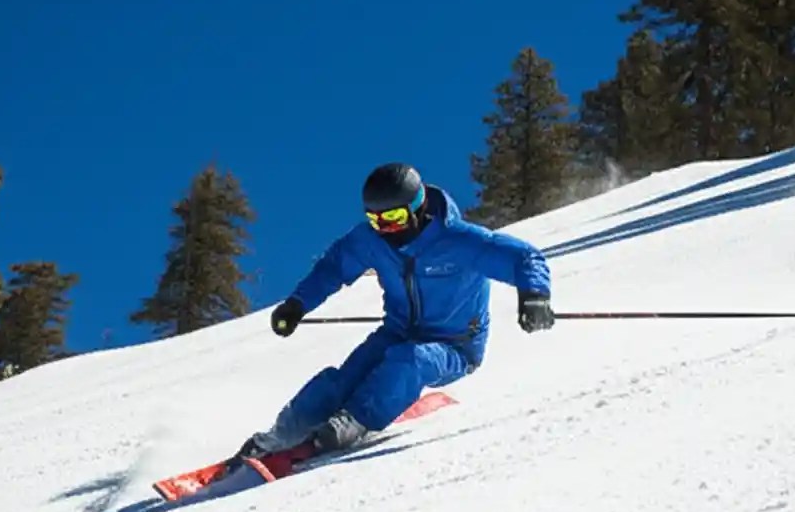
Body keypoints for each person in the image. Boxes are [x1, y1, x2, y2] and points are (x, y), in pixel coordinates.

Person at [228, 162, 554, 467]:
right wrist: (297, 304)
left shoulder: (460, 241)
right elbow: (334, 267)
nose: (385, 229)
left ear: (417, 208)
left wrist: (535, 296)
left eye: (394, 218)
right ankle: (280, 435)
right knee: (342, 380)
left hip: (455, 345)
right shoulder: (372, 240)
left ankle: (354, 421)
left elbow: (525, 258)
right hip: (396, 331)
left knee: (412, 360)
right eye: (376, 220)